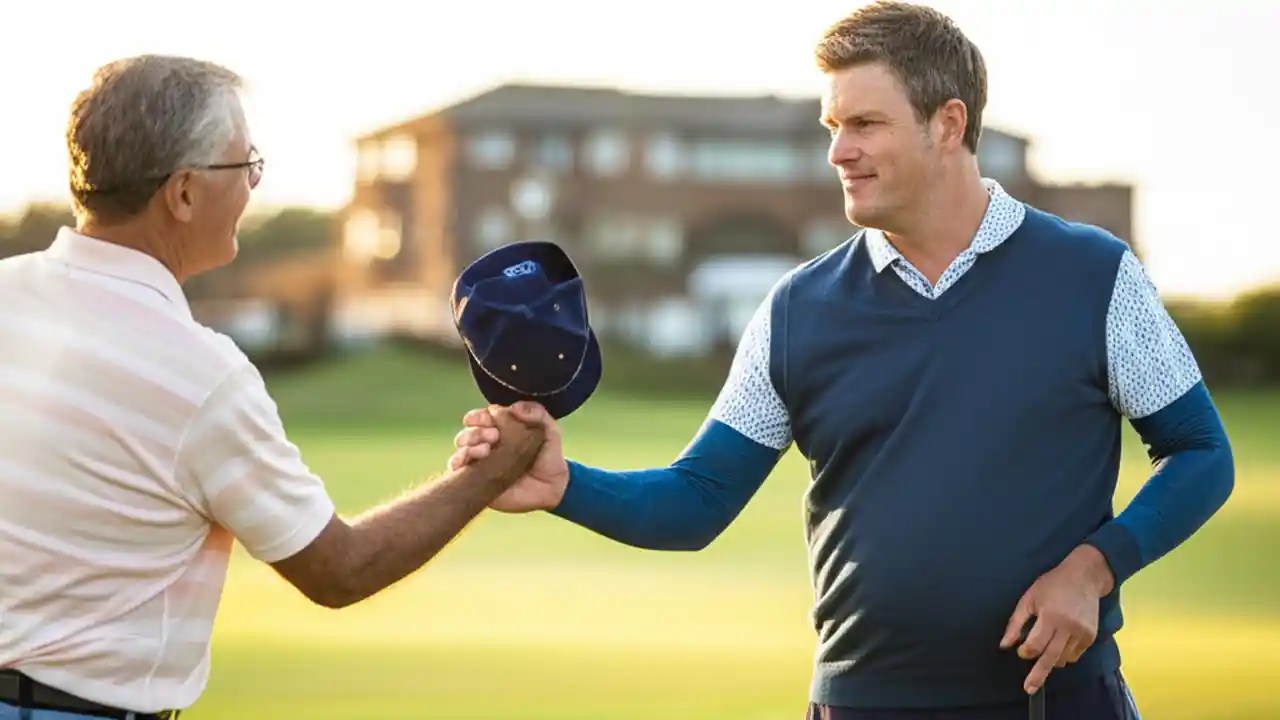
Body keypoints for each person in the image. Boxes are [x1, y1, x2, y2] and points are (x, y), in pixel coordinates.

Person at [448, 2, 1236, 718]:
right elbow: (693, 503)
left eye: (864, 124)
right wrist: (564, 486)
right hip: (861, 707)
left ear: (948, 124)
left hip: (1055, 704)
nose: (839, 152)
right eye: (831, 127)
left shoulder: (1092, 275)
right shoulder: (797, 311)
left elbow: (1201, 452)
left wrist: (1096, 568)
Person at [0, 55, 544, 720]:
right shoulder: (201, 375)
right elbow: (339, 570)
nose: (253, 184)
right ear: (185, 193)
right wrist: (491, 472)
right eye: (245, 164)